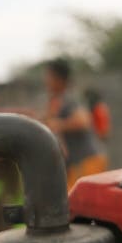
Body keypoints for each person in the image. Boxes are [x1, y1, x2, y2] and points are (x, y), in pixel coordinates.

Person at [43, 59, 108, 189]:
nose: (46, 80)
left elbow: (83, 121)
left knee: (76, 203)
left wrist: (57, 124)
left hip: (87, 161)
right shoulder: (59, 99)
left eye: (48, 76)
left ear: (59, 79)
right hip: (79, 163)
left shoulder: (69, 98)